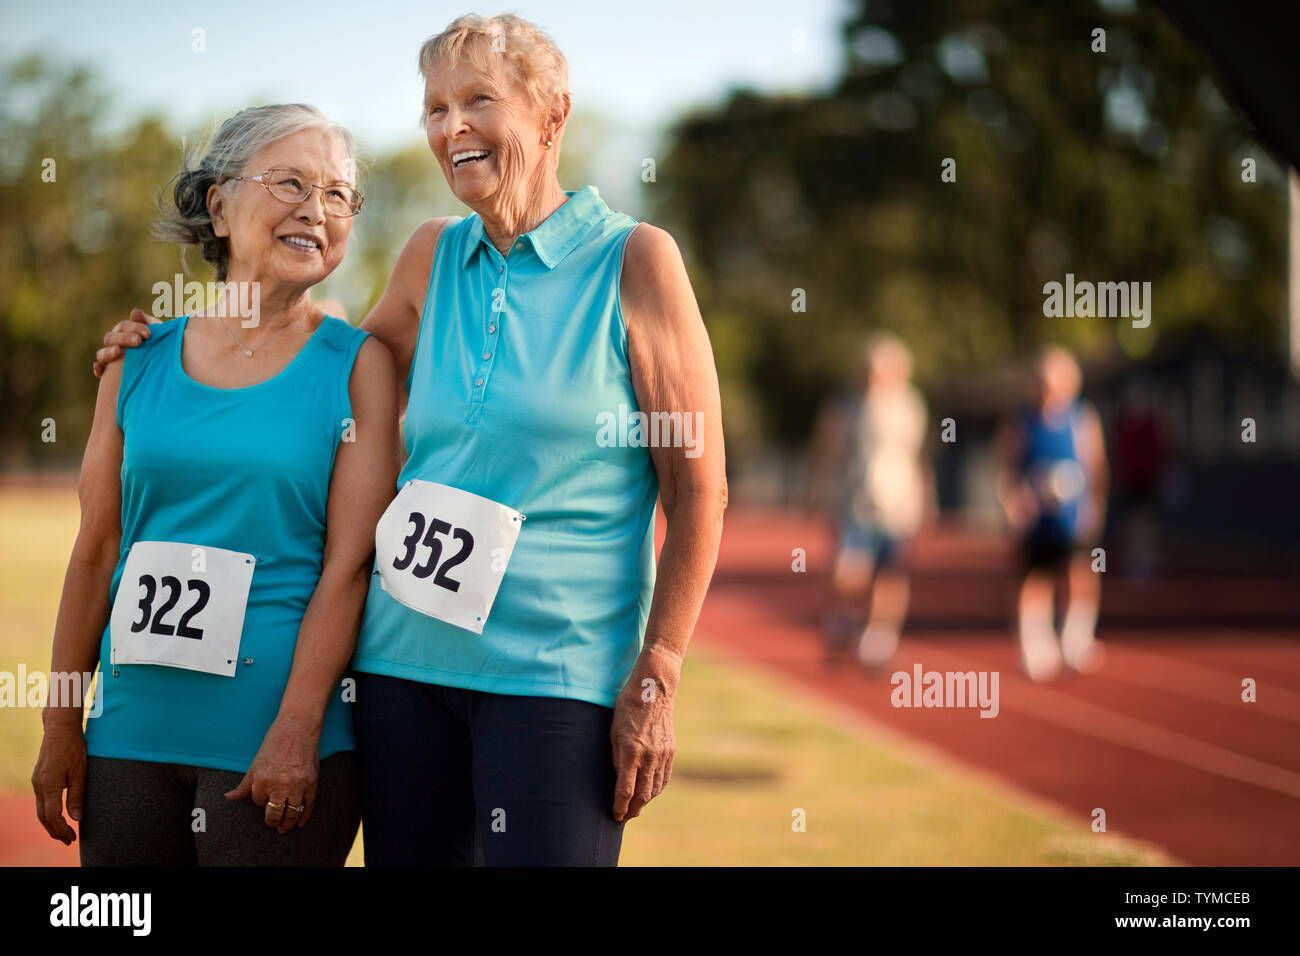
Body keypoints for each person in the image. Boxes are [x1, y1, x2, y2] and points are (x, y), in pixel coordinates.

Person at [95, 14, 726, 867]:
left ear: (552, 117)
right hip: (400, 672)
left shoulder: (636, 262)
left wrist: (658, 673)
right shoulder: (430, 253)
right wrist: (170, 349)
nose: (450, 127)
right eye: (434, 108)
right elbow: (317, 371)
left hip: (554, 677)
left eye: (478, 101)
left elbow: (698, 493)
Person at [39, 104, 399, 865]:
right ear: (219, 203)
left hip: (274, 743)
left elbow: (349, 566)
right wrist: (60, 724)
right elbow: (96, 550)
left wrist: (298, 729)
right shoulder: (135, 358)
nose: (316, 209)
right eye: (291, 182)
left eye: (338, 194)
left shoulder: (356, 365)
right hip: (127, 737)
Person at [808, 333, 928, 670]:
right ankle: (843, 614)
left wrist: (924, 498)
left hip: (899, 503)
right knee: (850, 571)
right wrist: (818, 492)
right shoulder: (844, 406)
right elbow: (825, 451)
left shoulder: (910, 407)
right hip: (855, 502)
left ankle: (879, 637)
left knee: (891, 573)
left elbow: (917, 455)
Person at [996, 346, 1107, 681]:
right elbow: (1005, 468)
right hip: (1035, 520)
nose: (1050, 389)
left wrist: (1096, 506)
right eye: (1044, 381)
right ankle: (1035, 644)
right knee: (1035, 580)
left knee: (1081, 573)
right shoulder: (1021, 422)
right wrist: (1013, 504)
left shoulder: (1082, 419)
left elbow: (1097, 467)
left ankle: (1076, 639)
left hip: (1073, 516)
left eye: (1057, 381)